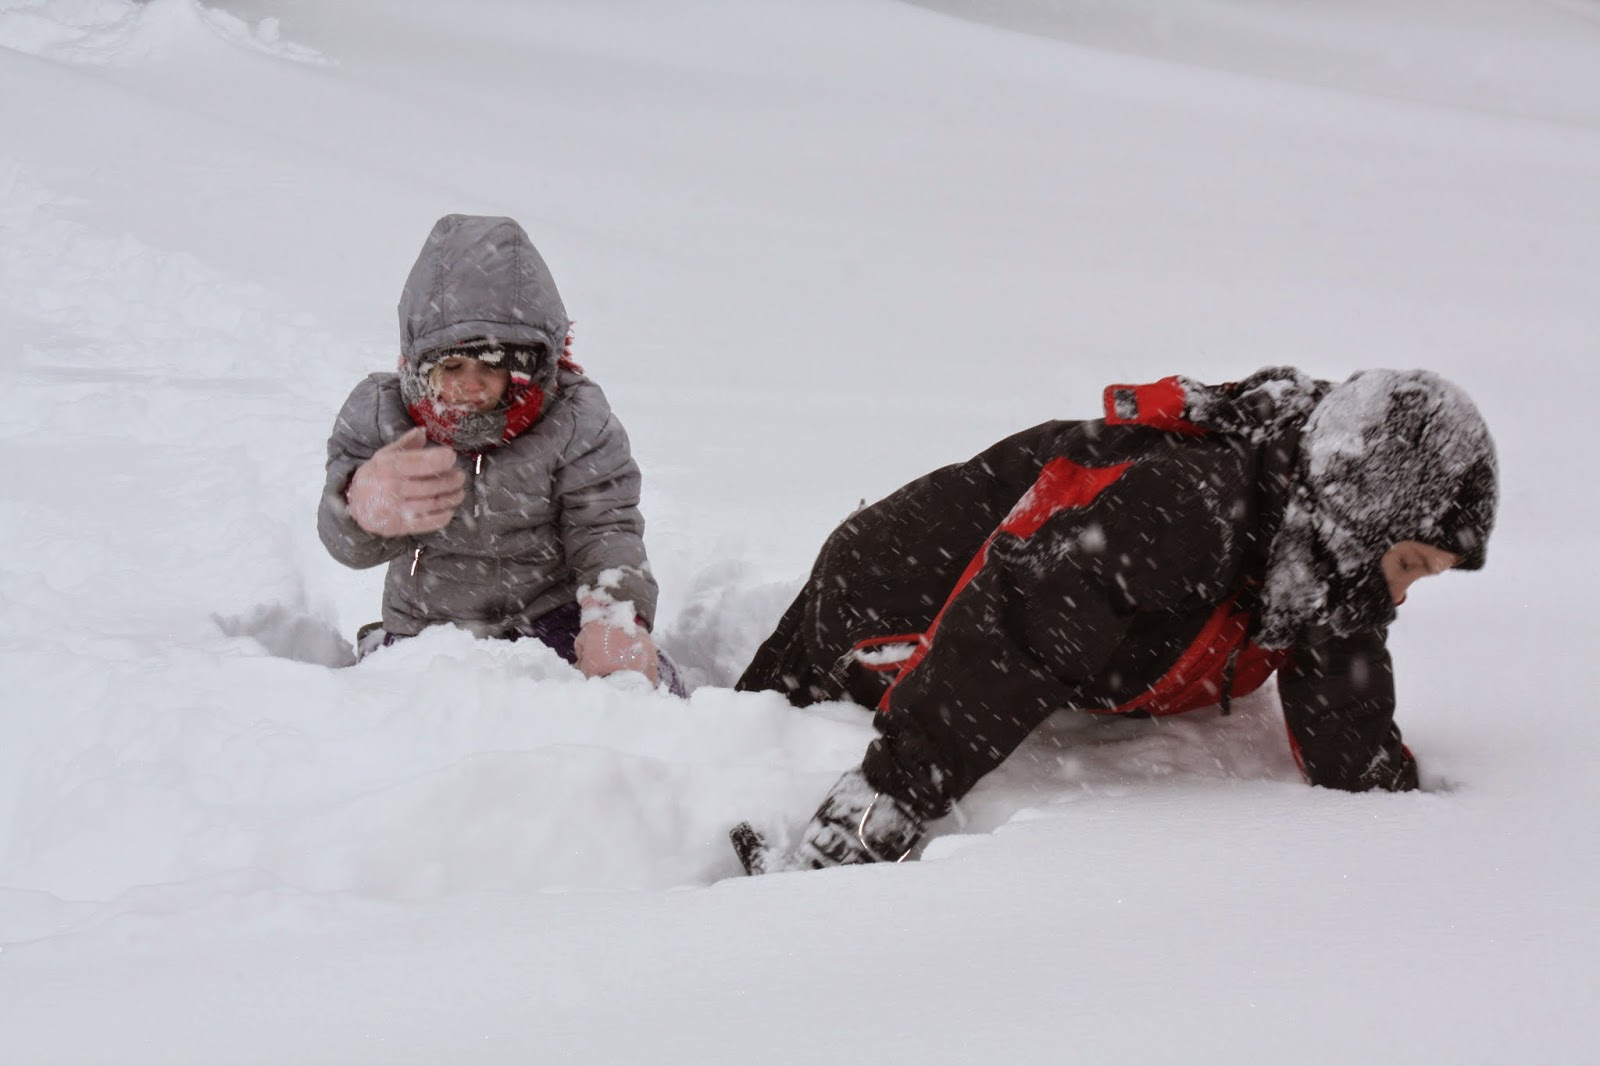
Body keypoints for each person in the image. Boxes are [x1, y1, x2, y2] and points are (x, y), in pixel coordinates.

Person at [731, 367, 1497, 872]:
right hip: (894, 611)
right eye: (1407, 567)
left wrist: (1397, 811)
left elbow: (1341, 687)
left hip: (983, 604)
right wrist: (892, 798)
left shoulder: (1312, 539)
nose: (1398, 597)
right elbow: (1019, 634)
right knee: (768, 732)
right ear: (1353, 527)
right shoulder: (1194, 509)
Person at [318, 213, 682, 694]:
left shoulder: (573, 419)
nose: (471, 384)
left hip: (549, 615)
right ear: (415, 362)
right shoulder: (384, 415)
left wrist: (615, 615)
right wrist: (361, 509)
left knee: (635, 688)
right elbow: (347, 543)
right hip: (430, 624)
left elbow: (605, 526)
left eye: (492, 364)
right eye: (451, 365)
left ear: (534, 361)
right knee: (391, 710)